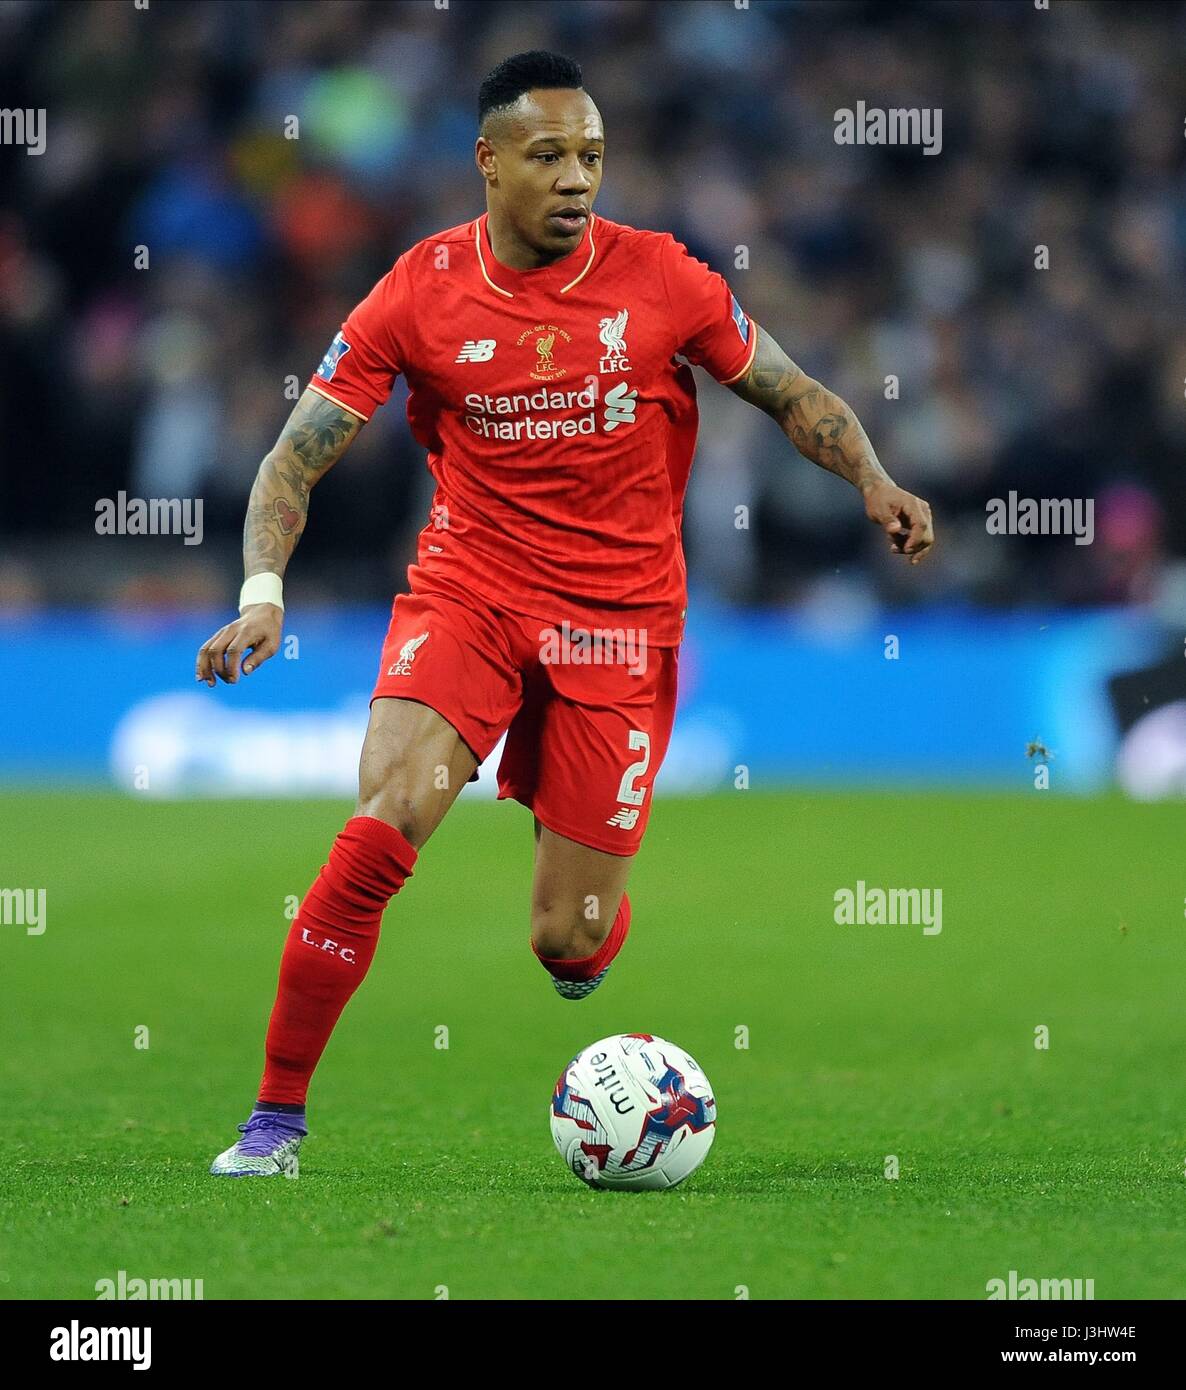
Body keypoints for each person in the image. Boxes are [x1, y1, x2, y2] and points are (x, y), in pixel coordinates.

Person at [196, 50, 934, 1178]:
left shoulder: (664, 279)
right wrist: (262, 595)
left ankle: (578, 915)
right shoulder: (418, 288)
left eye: (591, 154)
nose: (577, 177)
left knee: (569, 941)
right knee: (386, 819)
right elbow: (295, 456)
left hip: (620, 623)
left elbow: (791, 390)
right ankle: (272, 1123)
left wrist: (874, 479)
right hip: (471, 594)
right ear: (488, 163)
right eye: (549, 156)